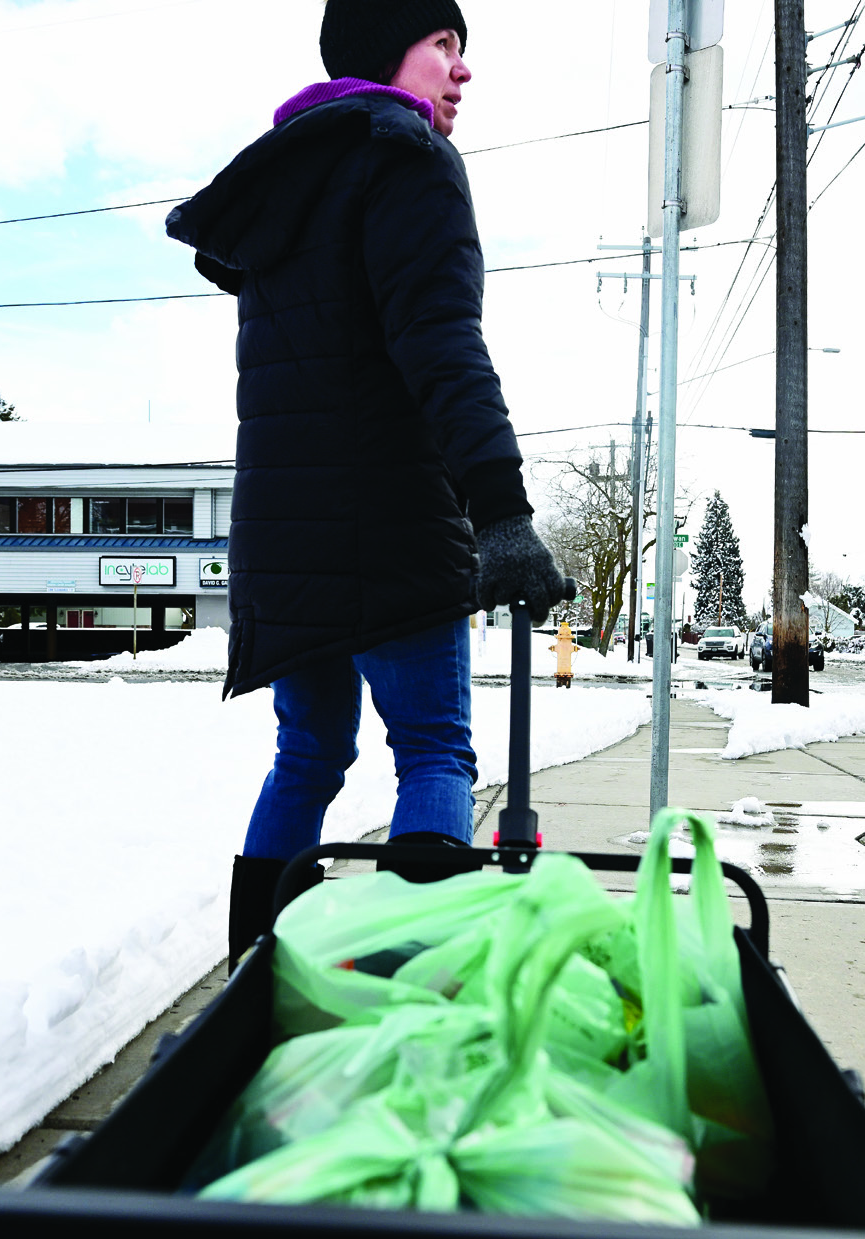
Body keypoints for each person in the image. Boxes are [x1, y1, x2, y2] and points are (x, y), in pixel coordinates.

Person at [166, 0, 569, 963]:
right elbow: (439, 347)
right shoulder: (406, 154)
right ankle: (402, 992)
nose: (461, 72)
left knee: (306, 756)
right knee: (433, 751)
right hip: (390, 519)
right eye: (444, 45)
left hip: (282, 533)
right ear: (391, 50)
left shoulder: (282, 181)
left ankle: (253, 980)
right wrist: (502, 512)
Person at [550, 621, 576, 689]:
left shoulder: (558, 645)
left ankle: (560, 684)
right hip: (567, 668)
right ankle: (566, 685)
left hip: (560, 668)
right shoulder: (569, 645)